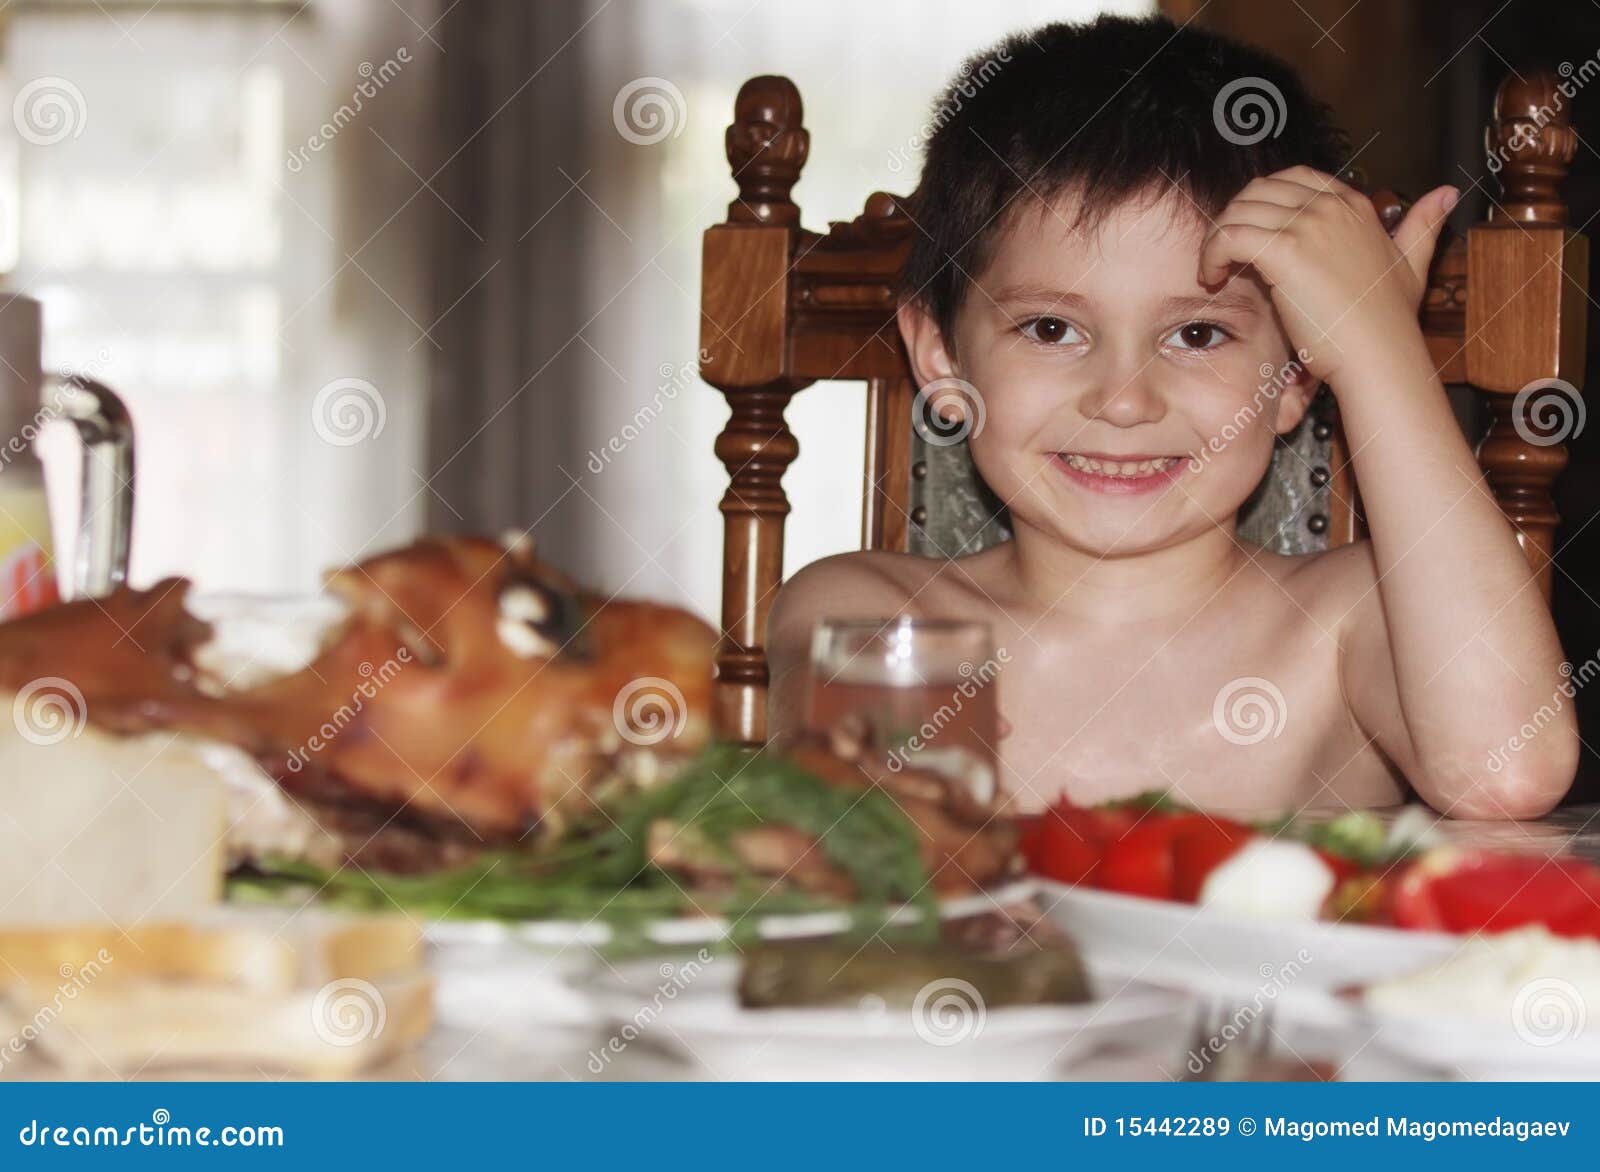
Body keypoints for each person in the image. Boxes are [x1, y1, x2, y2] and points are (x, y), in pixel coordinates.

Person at [766, 14, 1576, 819]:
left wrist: (1379, 349)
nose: (1123, 401)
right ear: (942, 358)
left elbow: (1506, 774)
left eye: (1197, 334)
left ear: (1297, 371)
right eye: (1051, 329)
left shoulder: (1355, 622)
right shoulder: (868, 617)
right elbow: (875, 873)